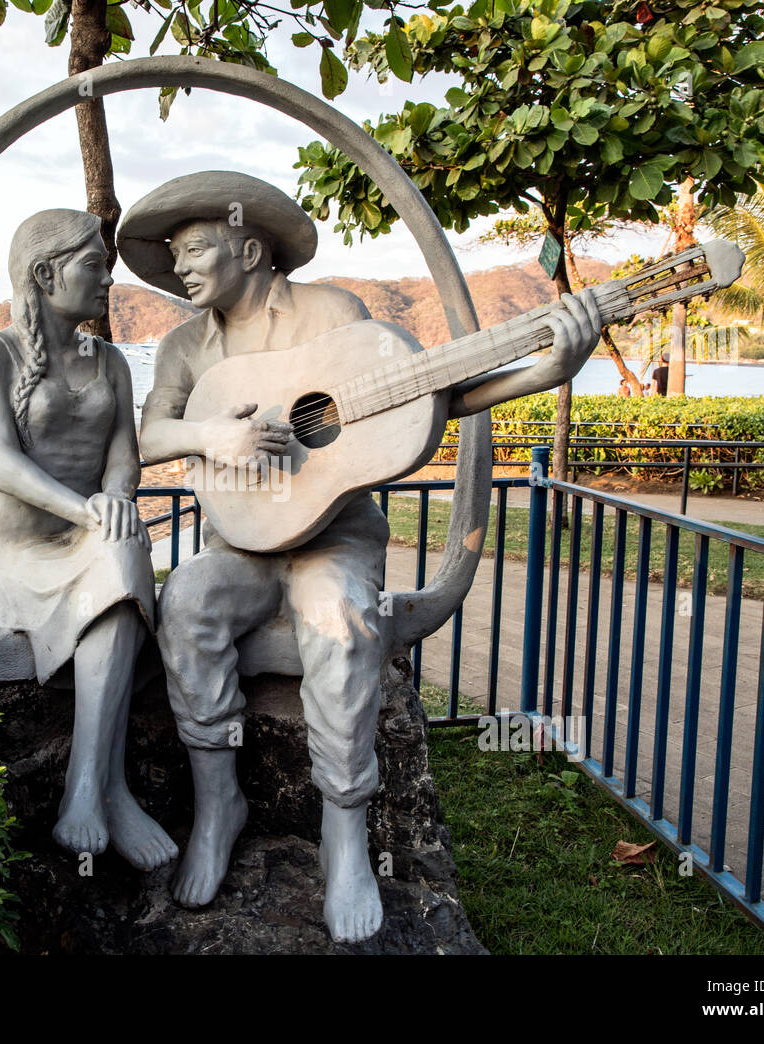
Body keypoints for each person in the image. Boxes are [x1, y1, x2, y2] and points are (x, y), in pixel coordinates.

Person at [125, 171, 602, 942]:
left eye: (195, 248)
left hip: (333, 537)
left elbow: (430, 395)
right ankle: (219, 806)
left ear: (251, 245)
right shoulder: (184, 345)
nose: (180, 266)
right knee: (185, 602)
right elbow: (150, 437)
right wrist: (212, 436)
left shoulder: (334, 315)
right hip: (241, 543)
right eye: (174, 253)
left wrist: (545, 370)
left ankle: (344, 834)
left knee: (341, 621)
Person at [0, 209, 175, 871]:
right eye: (93, 263)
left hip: (82, 544)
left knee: (123, 545)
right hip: (7, 558)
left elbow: (124, 457)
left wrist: (113, 498)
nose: (109, 277)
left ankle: (92, 790)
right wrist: (90, 515)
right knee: (116, 550)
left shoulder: (111, 361)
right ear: (46, 273)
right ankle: (110, 790)